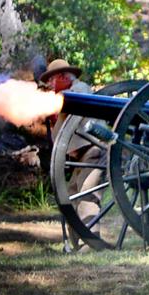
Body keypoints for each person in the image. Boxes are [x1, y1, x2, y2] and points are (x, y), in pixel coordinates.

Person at [41, 59, 104, 251]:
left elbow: (73, 100)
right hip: (81, 158)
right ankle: (77, 246)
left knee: (87, 195)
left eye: (51, 80)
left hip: (94, 150)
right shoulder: (60, 97)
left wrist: (53, 104)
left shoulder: (79, 88)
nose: (49, 85)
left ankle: (90, 245)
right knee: (70, 197)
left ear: (62, 77)